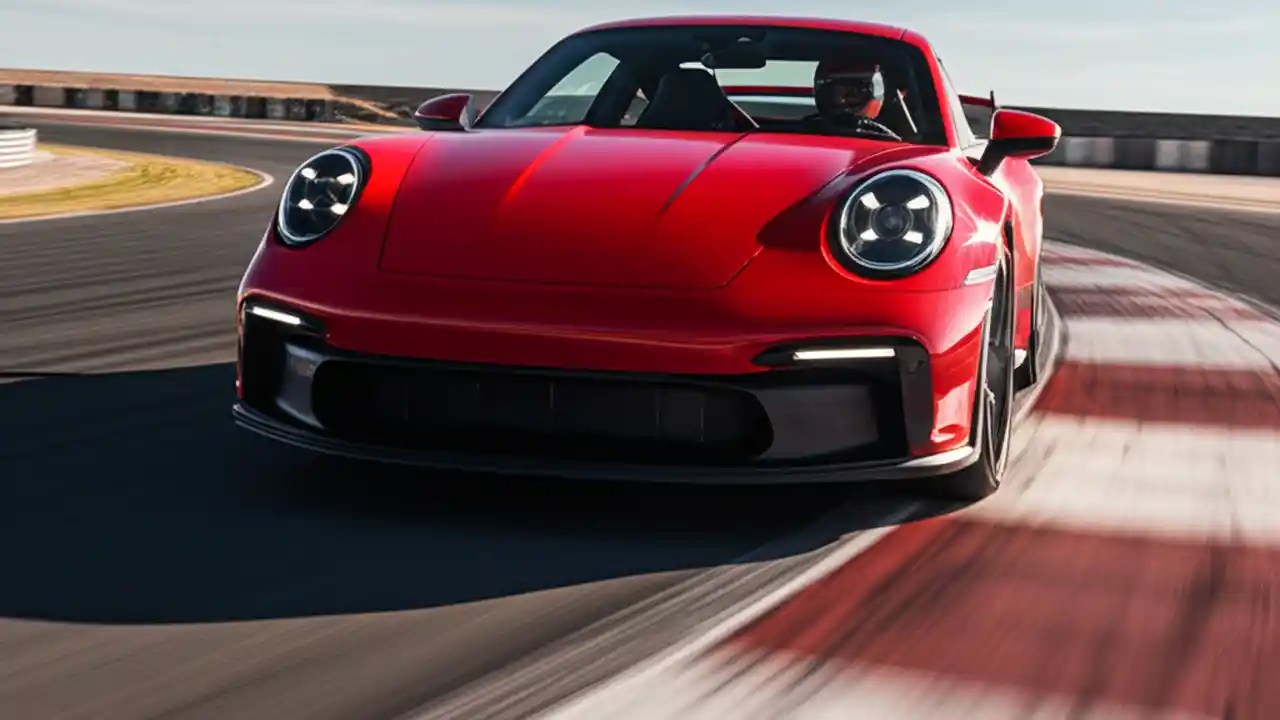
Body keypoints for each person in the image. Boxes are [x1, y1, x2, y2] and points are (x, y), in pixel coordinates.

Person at [807, 55, 900, 139]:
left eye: (852, 94)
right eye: (836, 93)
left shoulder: (893, 141)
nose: (842, 100)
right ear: (825, 93)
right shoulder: (806, 132)